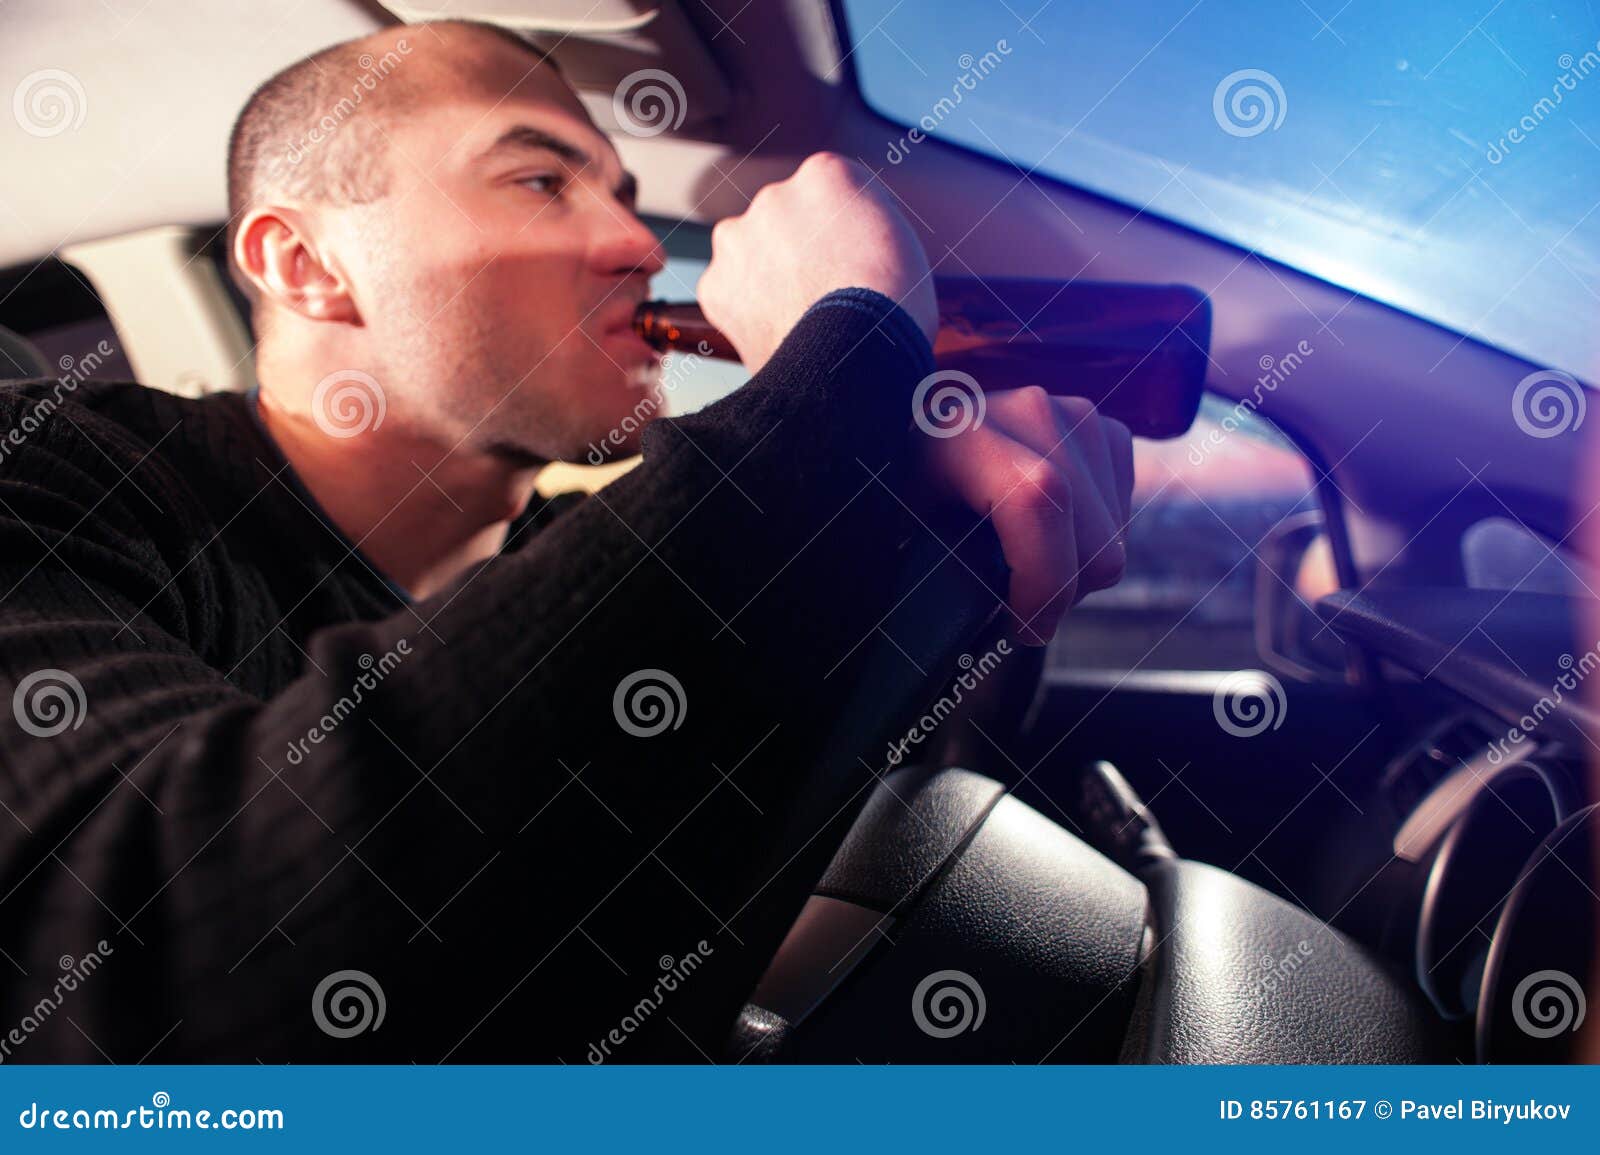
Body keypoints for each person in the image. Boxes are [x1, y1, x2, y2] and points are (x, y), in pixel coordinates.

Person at [0, 20, 1131, 1061]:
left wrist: (923, 506)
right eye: (541, 180)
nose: (638, 243)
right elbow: (157, 973)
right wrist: (838, 368)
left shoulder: (585, 561)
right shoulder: (54, 476)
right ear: (305, 265)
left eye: (628, 197)